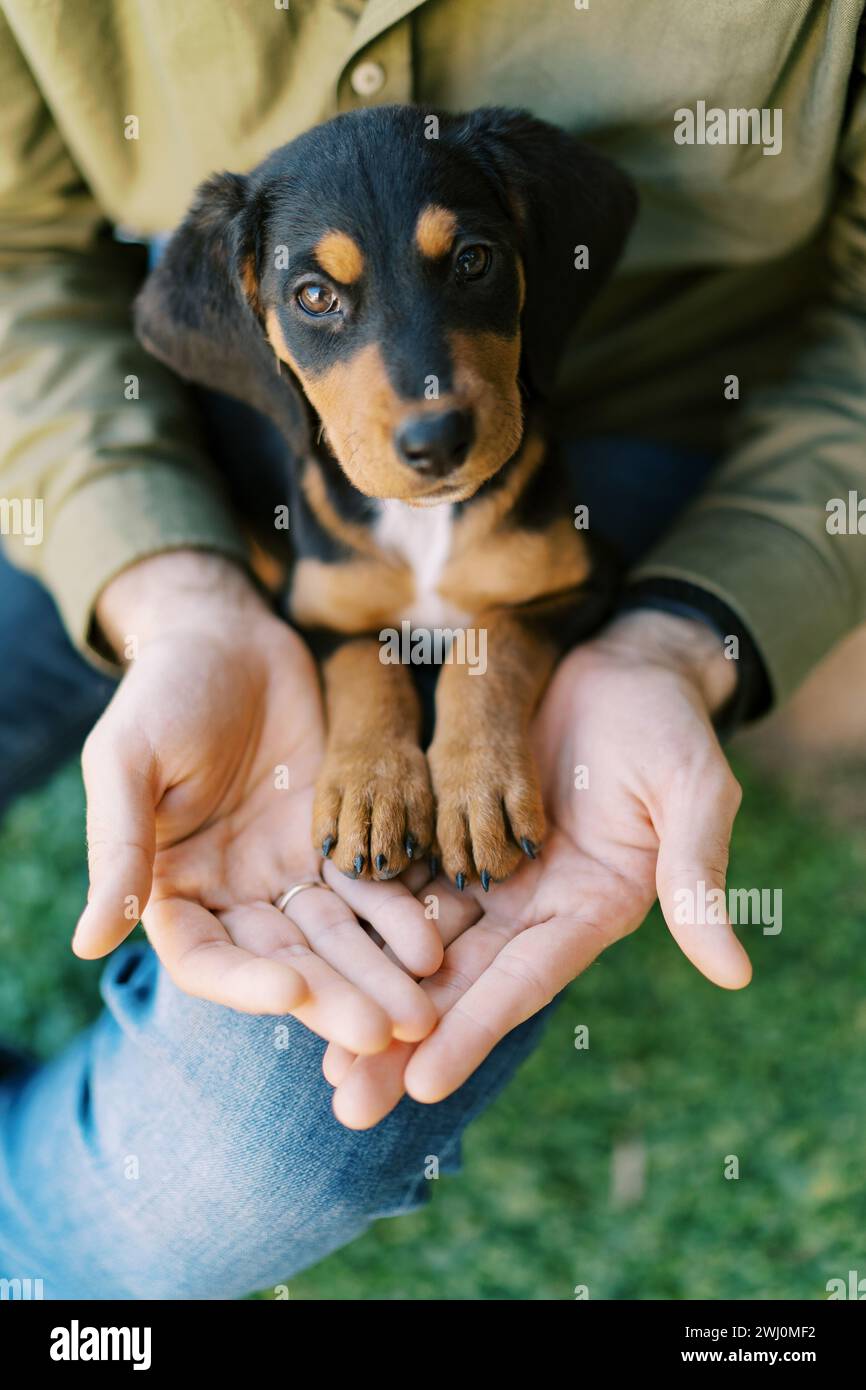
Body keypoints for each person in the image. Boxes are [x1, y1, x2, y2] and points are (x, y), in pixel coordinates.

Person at [0, 1, 863, 1299]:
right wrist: (174, 586)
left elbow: (533, 598)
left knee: (251, 1161)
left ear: (529, 261)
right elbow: (20, 253)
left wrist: (647, 650)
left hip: (658, 400)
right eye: (320, 300)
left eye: (464, 270)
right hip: (177, 455)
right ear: (260, 322)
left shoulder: (534, 358)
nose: (425, 398)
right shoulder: (241, 356)